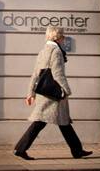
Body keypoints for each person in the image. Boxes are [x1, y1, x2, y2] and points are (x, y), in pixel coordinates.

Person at [13, 24, 92, 161]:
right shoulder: (56, 51)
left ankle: (77, 150)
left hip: (44, 93)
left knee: (64, 122)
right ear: (58, 37)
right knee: (40, 122)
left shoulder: (43, 50)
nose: (64, 38)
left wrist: (30, 92)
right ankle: (20, 149)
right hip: (53, 94)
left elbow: (36, 73)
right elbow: (58, 74)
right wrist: (66, 90)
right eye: (63, 36)